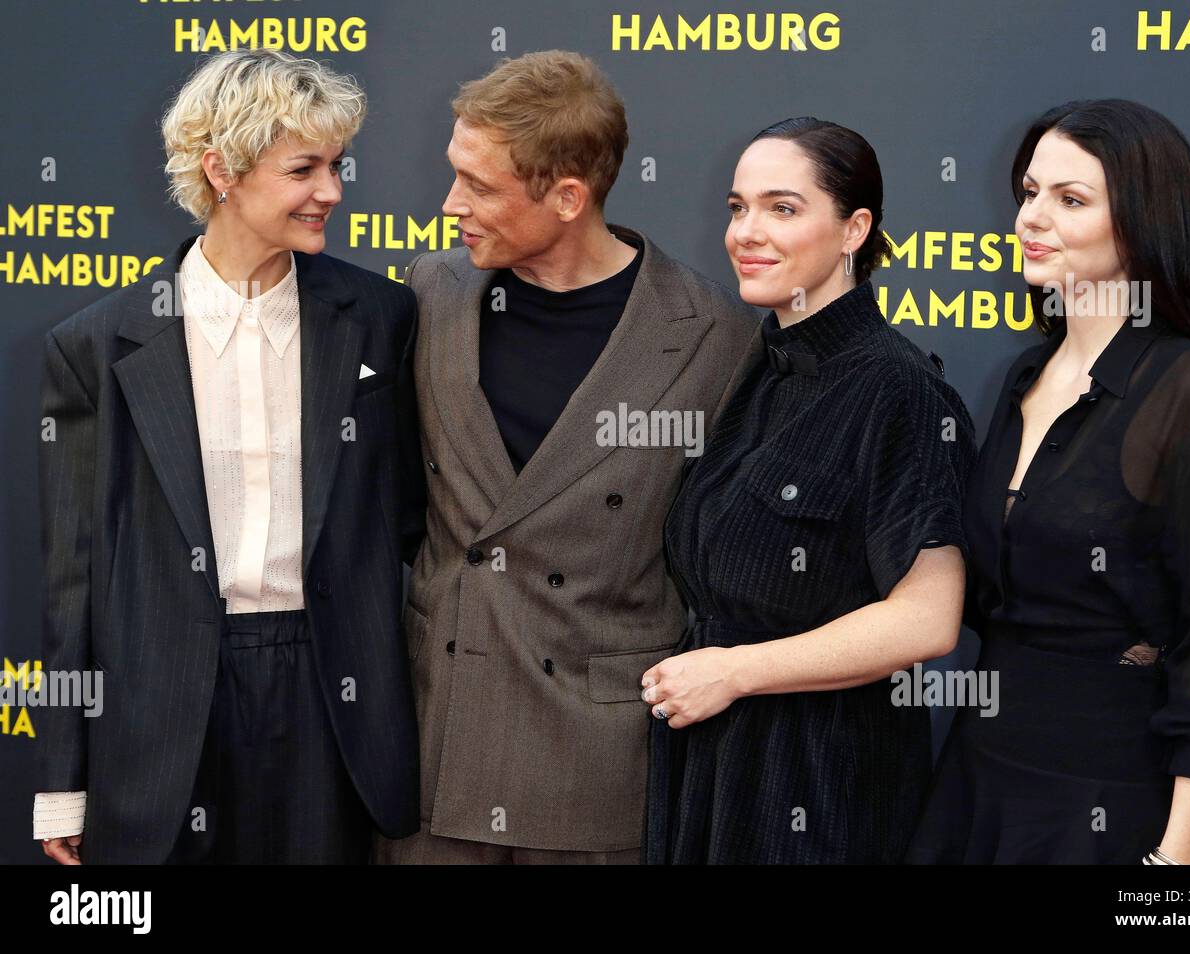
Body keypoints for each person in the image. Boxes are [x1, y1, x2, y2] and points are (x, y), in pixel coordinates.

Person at [34, 49, 424, 864]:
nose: (333, 192)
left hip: (334, 701)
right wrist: (62, 783)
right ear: (221, 169)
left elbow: (408, 526)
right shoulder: (96, 347)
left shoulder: (382, 317)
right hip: (165, 713)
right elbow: (74, 577)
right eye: (304, 168)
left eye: (337, 165)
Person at [371, 51, 760, 864]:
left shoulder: (714, 337)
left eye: (479, 187)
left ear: (567, 197)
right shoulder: (431, 293)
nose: (450, 206)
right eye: (455, 176)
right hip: (437, 739)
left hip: (595, 768)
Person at [905, 99, 1190, 865]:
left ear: (1142, 222)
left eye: (1071, 200)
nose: (1032, 218)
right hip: (980, 778)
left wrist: (1177, 856)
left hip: (1115, 801)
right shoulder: (1025, 376)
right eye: (1030, 192)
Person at [641, 117, 978, 864]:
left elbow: (927, 622)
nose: (747, 232)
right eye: (737, 207)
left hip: (823, 778)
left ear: (854, 229)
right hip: (713, 761)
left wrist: (734, 671)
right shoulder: (759, 365)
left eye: (782, 208)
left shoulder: (901, 391)